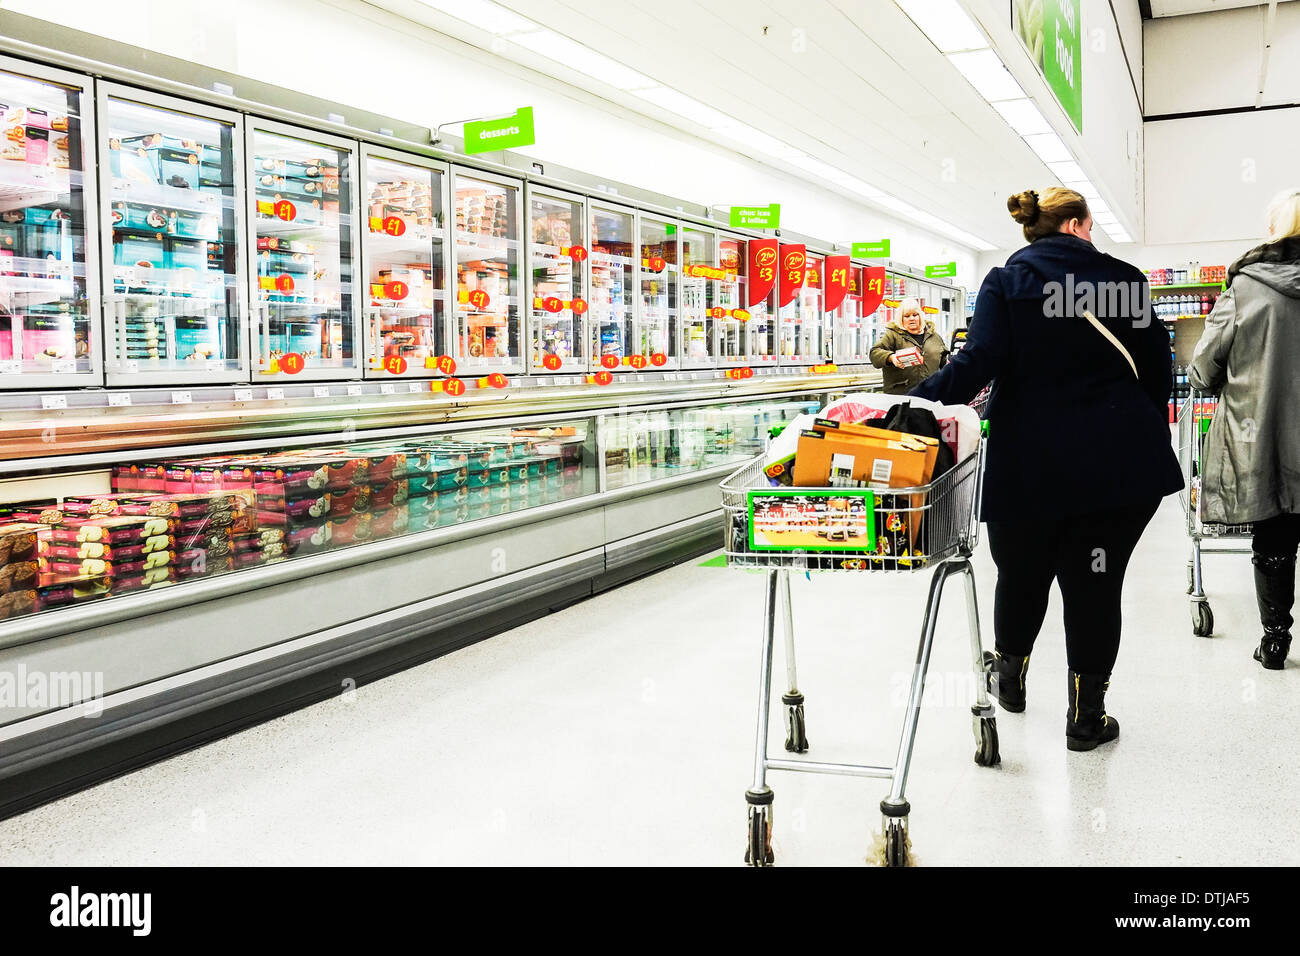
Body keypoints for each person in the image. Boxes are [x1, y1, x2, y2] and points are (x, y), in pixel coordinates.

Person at [910, 187, 1183, 751]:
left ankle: (1009, 677)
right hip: (1119, 463)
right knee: (1097, 583)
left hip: (1028, 461)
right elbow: (1158, 363)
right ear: (1080, 225)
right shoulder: (1126, 281)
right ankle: (1086, 719)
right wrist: (1144, 419)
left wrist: (915, 404)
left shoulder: (1007, 282)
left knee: (1022, 571)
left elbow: (976, 364)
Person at [1189, 188, 1300, 670]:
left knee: (1274, 539)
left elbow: (1204, 364)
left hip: (1266, 438)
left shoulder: (1247, 287)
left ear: (1274, 231)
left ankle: (1275, 639)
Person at [869, 297, 947, 394]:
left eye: (915, 315)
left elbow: (944, 362)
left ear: (920, 316)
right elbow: (875, 352)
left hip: (929, 394)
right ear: (901, 319)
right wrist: (891, 357)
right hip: (900, 395)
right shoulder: (893, 335)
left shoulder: (934, 336)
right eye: (907, 316)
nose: (912, 319)